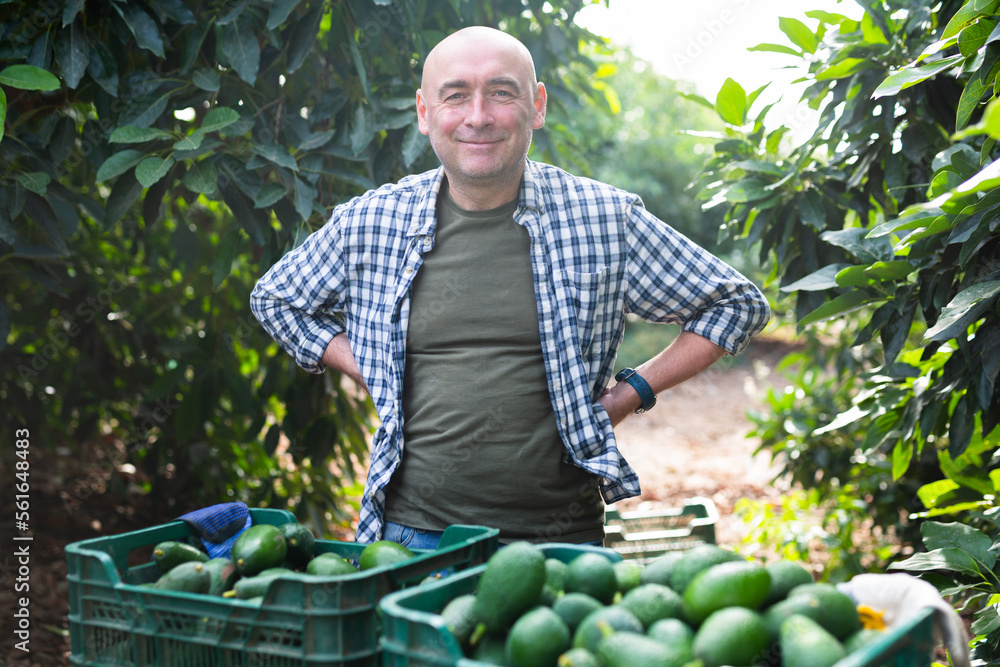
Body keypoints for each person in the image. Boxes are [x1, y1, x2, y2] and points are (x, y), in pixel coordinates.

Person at [250, 26, 770, 549]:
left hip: (563, 541)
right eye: (455, 95)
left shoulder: (603, 218)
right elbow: (277, 299)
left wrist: (629, 394)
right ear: (425, 112)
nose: (479, 116)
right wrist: (371, 364)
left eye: (501, 92)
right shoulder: (372, 222)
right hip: (412, 538)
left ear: (536, 105)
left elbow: (735, 304)